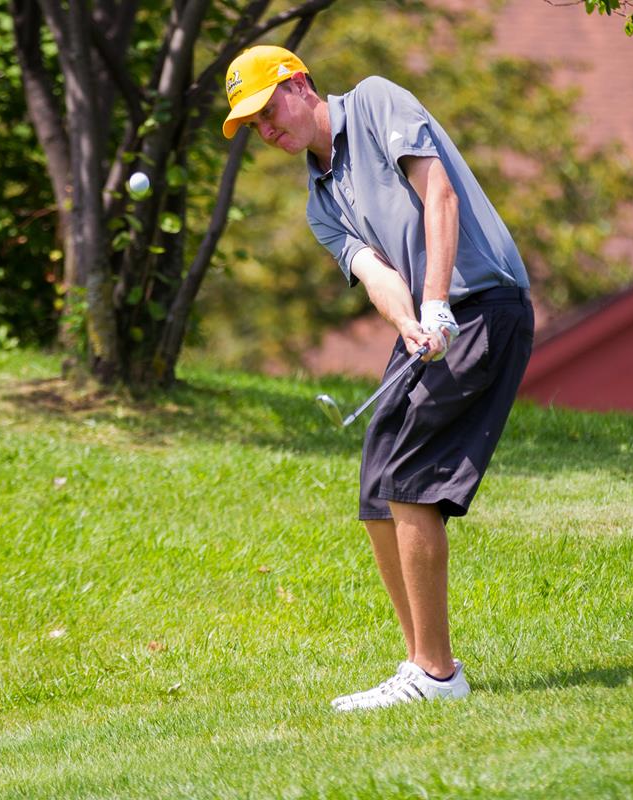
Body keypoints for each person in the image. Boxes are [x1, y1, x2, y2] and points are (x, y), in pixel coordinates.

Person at [222, 45, 535, 711]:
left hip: (483, 305)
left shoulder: (374, 102)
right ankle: (422, 664)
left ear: (299, 83)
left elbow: (439, 193)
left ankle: (438, 675)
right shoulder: (319, 200)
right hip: (429, 317)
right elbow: (375, 275)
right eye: (253, 126)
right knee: (377, 484)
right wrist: (410, 323)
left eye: (267, 109)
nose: (267, 129)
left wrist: (437, 300)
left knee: (412, 477)